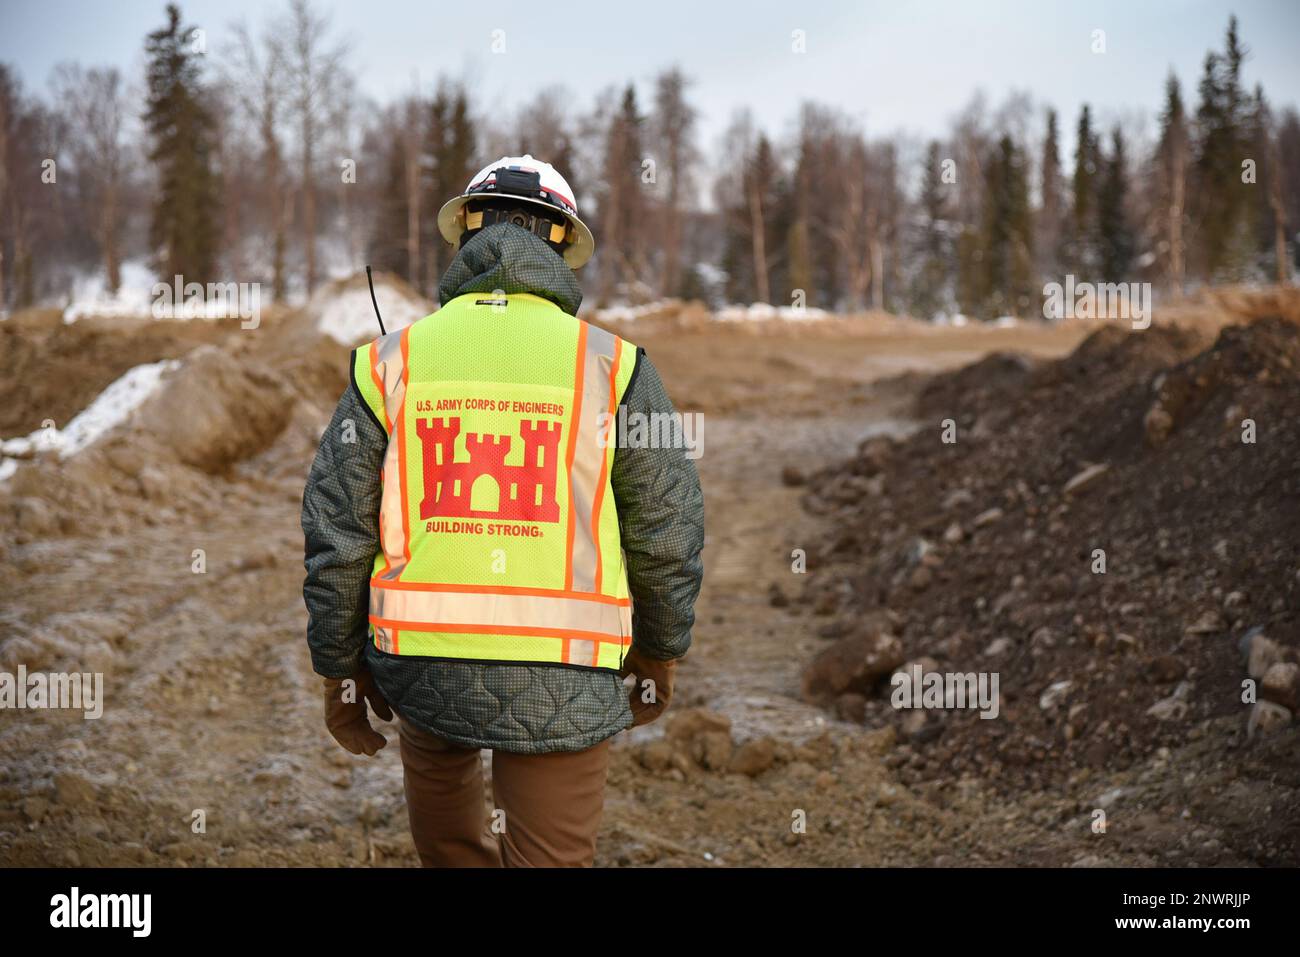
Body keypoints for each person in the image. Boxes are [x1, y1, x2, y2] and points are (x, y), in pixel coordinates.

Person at [301, 154, 705, 867]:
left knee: (450, 849)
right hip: (570, 670)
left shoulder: (391, 362)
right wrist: (660, 650)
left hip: (425, 666)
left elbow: (338, 530)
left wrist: (339, 667)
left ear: (465, 239)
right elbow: (666, 530)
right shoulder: (615, 365)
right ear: (561, 247)